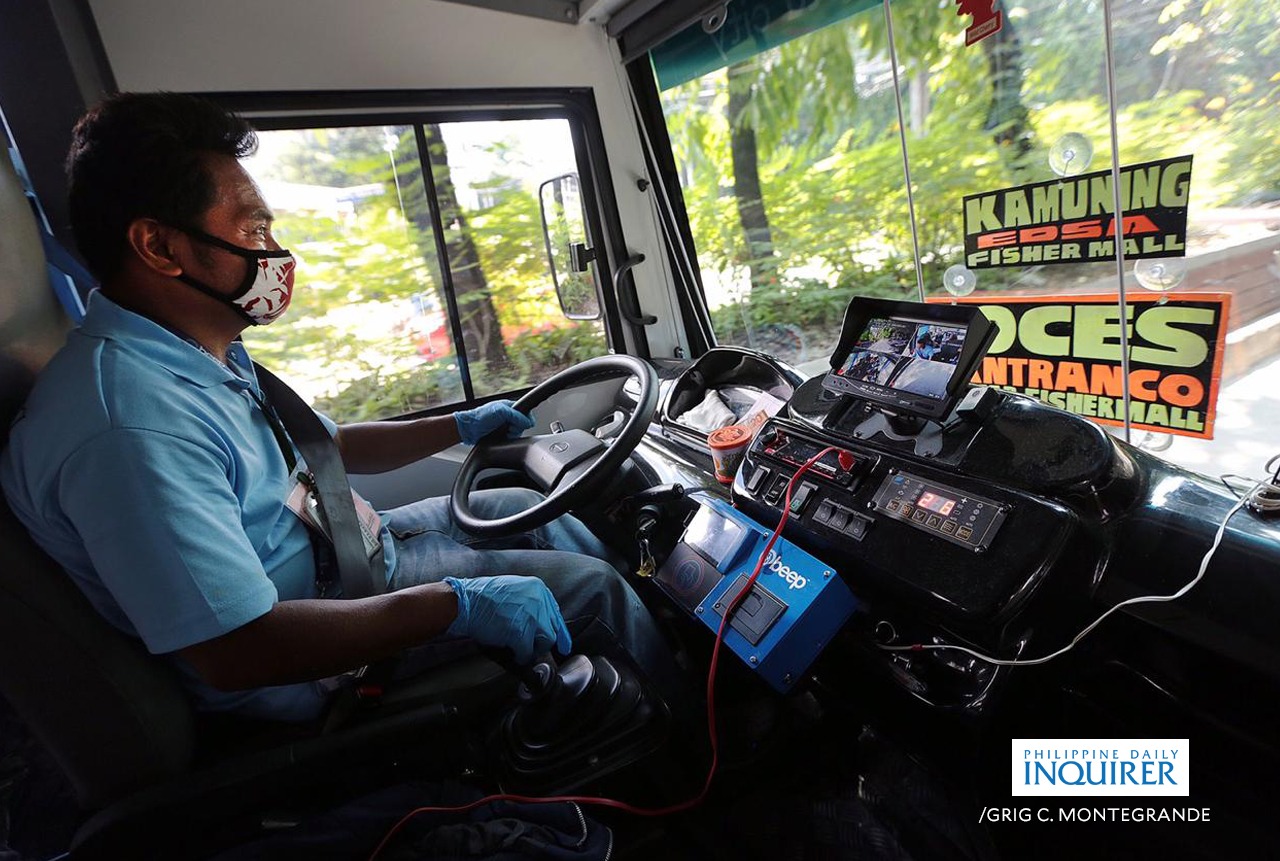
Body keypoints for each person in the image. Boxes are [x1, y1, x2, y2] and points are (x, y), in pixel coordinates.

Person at [0, 92, 676, 723]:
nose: (275, 253)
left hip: (348, 556)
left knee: (523, 507)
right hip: (314, 655)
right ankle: (688, 745)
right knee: (595, 590)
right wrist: (455, 605)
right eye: (254, 229)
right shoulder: (128, 425)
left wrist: (459, 425)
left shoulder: (188, 355)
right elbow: (235, 649)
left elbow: (328, 449)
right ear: (160, 247)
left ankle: (640, 666)